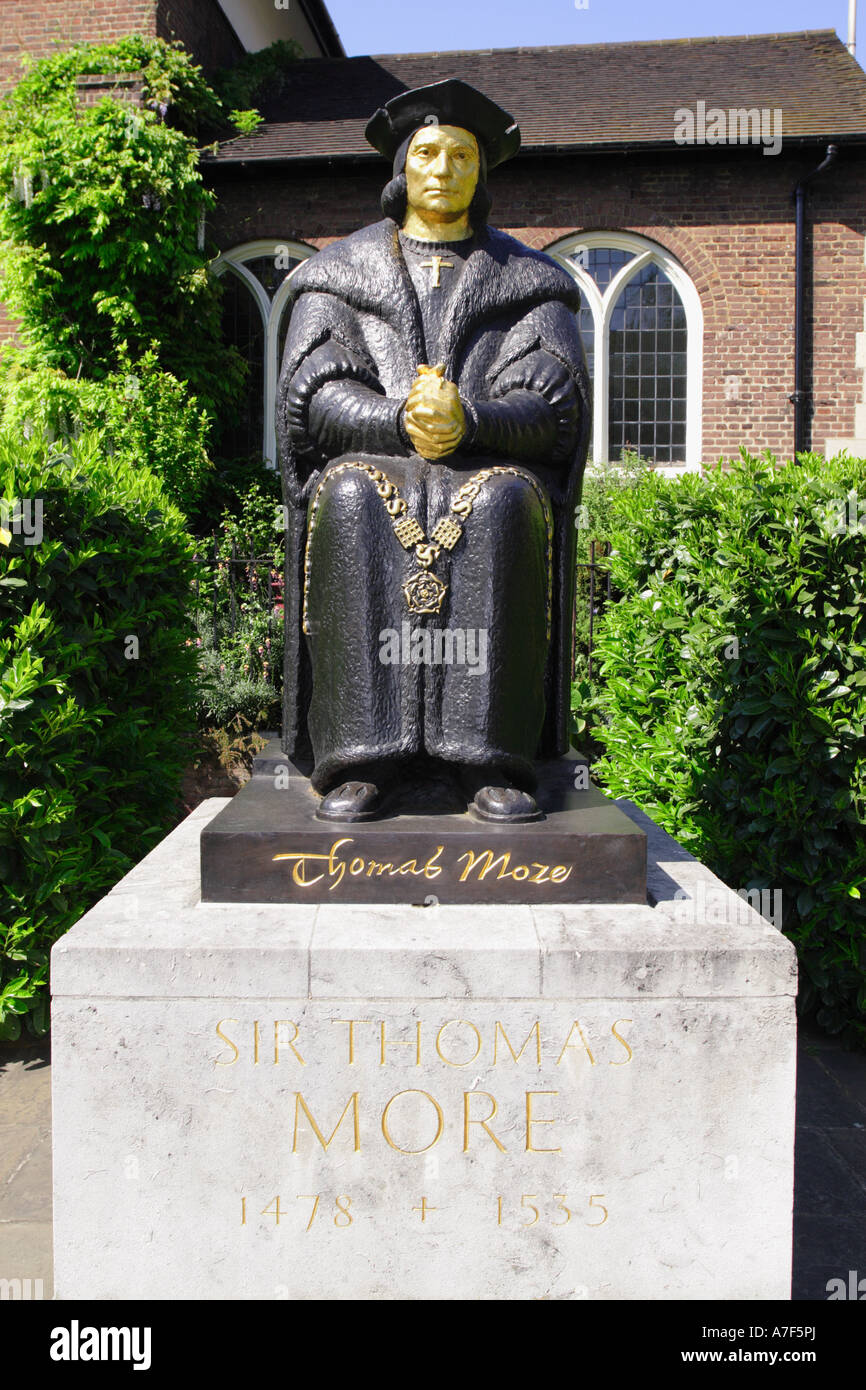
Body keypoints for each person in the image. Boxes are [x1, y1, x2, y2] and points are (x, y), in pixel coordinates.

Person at [276, 79, 590, 823]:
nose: (442, 168)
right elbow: (314, 391)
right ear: (401, 169)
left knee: (508, 498)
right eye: (425, 153)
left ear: (481, 174)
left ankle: (488, 759)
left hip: (486, 463)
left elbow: (552, 400)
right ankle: (363, 757)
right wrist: (397, 422)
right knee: (351, 492)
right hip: (371, 455)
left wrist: (472, 420)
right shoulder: (339, 275)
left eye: (460, 155)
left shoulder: (528, 282)